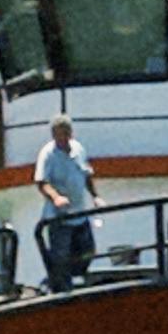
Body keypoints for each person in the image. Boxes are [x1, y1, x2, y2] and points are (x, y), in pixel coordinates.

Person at [34, 115, 97, 290]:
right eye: (59, 134)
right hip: (58, 217)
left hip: (79, 214)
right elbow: (42, 182)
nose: (63, 138)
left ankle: (78, 279)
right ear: (53, 135)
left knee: (88, 251)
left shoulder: (78, 149)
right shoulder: (47, 154)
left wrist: (95, 196)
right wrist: (56, 198)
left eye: (66, 133)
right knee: (61, 257)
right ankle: (62, 289)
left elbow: (86, 174)